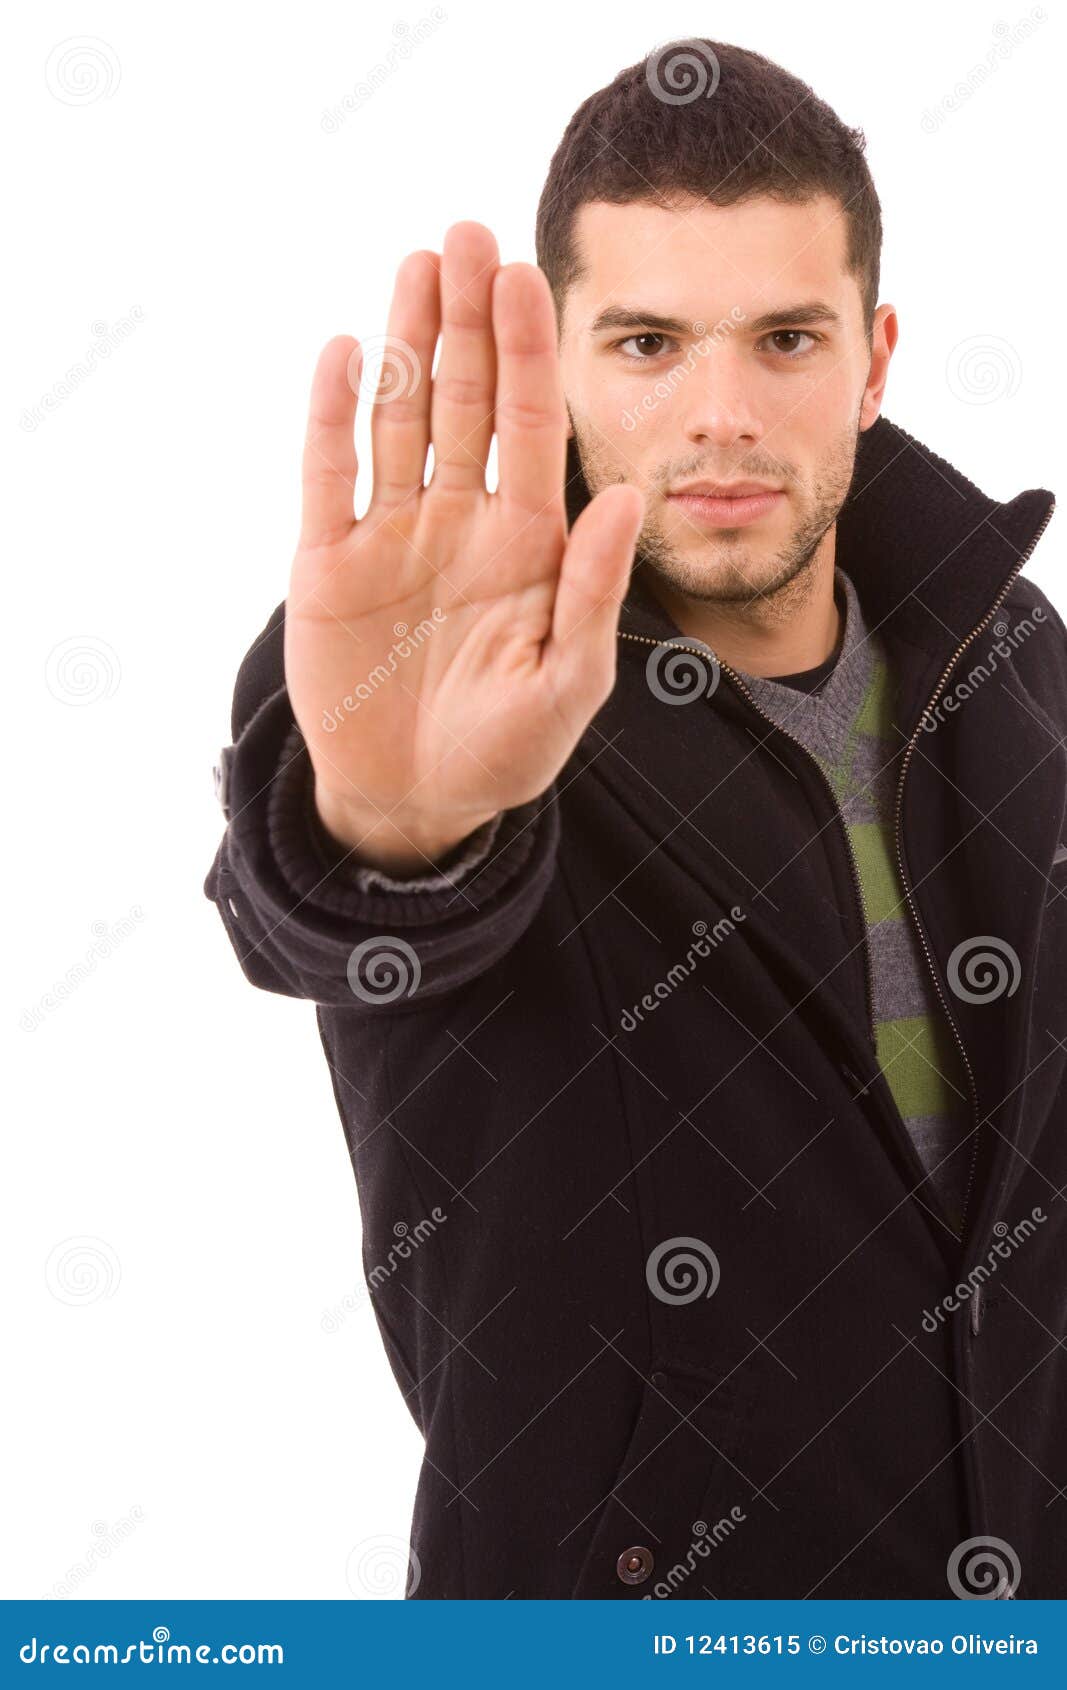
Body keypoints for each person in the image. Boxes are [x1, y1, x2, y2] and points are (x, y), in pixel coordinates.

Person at [204, 39, 1065, 1599]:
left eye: (786, 339)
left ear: (873, 359)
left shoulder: (1017, 659)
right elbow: (328, 885)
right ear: (565, 360)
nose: (722, 413)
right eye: (651, 342)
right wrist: (398, 828)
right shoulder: (441, 676)